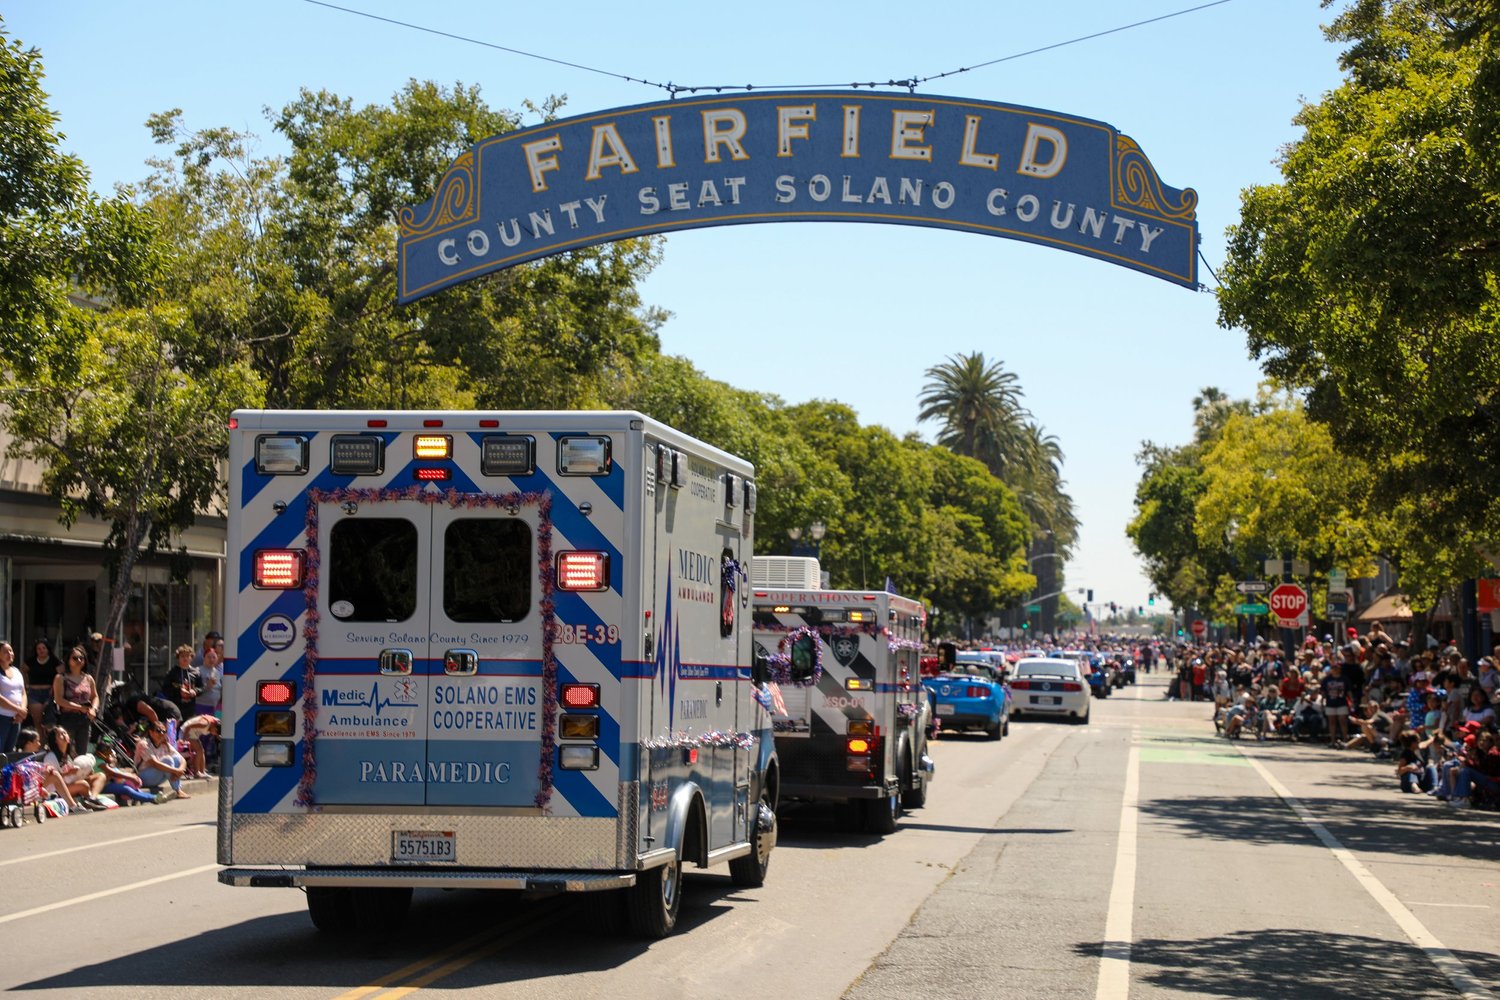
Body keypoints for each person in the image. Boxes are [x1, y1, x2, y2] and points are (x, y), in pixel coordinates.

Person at [13, 727, 82, 814]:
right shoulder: (20, 758)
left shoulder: (35, 756)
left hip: (34, 787)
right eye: (37, 741)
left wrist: (46, 769)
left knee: (54, 774)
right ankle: (73, 806)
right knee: (55, 775)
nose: (39, 744)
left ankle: (73, 806)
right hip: (24, 790)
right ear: (28, 743)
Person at [41, 725, 109, 811]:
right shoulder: (50, 757)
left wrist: (85, 772)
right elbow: (51, 780)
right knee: (83, 784)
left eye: (65, 733)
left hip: (72, 782)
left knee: (100, 776)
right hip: (58, 790)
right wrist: (68, 773)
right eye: (60, 734)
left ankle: (92, 798)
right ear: (55, 740)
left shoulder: (70, 754)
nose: (65, 735)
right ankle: (87, 801)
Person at [52, 645, 98, 753]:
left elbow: (95, 696)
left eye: (81, 658)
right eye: (75, 658)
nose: (79, 660)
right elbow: (59, 700)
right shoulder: (61, 678)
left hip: (84, 719)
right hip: (67, 718)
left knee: (82, 752)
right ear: (68, 660)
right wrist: (79, 707)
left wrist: (94, 709)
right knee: (66, 750)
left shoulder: (88, 678)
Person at [134, 721, 190, 800]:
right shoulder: (144, 744)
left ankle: (177, 787)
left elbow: (182, 759)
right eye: (158, 731)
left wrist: (180, 770)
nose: (161, 733)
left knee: (176, 759)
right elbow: (155, 763)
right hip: (143, 778)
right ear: (151, 732)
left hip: (158, 776)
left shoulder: (164, 744)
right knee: (167, 759)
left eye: (164, 731)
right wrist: (176, 771)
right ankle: (178, 790)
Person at [20, 637, 62, 733]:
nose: (41, 650)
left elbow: (61, 675)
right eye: (38, 648)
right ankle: (41, 745)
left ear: (47, 649)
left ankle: (50, 743)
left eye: (43, 648)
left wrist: (55, 688)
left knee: (49, 722)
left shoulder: (54, 661)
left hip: (49, 693)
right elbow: (23, 669)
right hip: (34, 693)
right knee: (37, 722)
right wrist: (26, 685)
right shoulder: (31, 661)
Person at [0, 641, 28, 753]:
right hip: (2, 717)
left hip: (16, 718)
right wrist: (19, 710)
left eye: (10, 651)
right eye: (5, 652)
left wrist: (22, 710)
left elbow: (23, 692)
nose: (10, 653)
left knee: (10, 751)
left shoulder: (16, 671)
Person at [161, 645, 202, 721]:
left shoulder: (196, 672)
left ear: (191, 657)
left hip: (190, 709)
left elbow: (201, 688)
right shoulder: (172, 672)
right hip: (175, 708)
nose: (185, 658)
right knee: (172, 730)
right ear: (178, 658)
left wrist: (195, 691)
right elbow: (165, 689)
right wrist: (179, 691)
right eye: (182, 656)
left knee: (188, 730)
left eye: (187, 656)